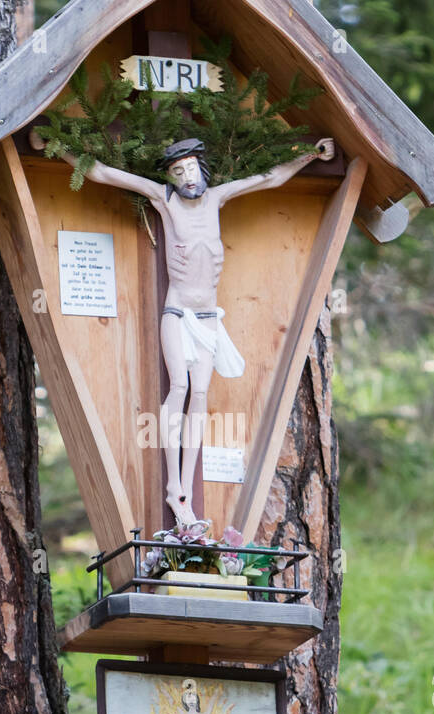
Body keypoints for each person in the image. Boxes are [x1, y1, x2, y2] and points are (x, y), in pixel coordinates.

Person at [48, 133, 335, 524]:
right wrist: (56, 146)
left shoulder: (216, 198)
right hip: (179, 314)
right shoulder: (164, 200)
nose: (187, 177)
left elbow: (269, 178)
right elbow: (101, 172)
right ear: (170, 177)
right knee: (179, 388)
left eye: (191, 168)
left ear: (202, 168)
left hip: (208, 318)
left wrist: (310, 155)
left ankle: (183, 494)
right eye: (178, 171)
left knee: (199, 394)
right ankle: (174, 490)